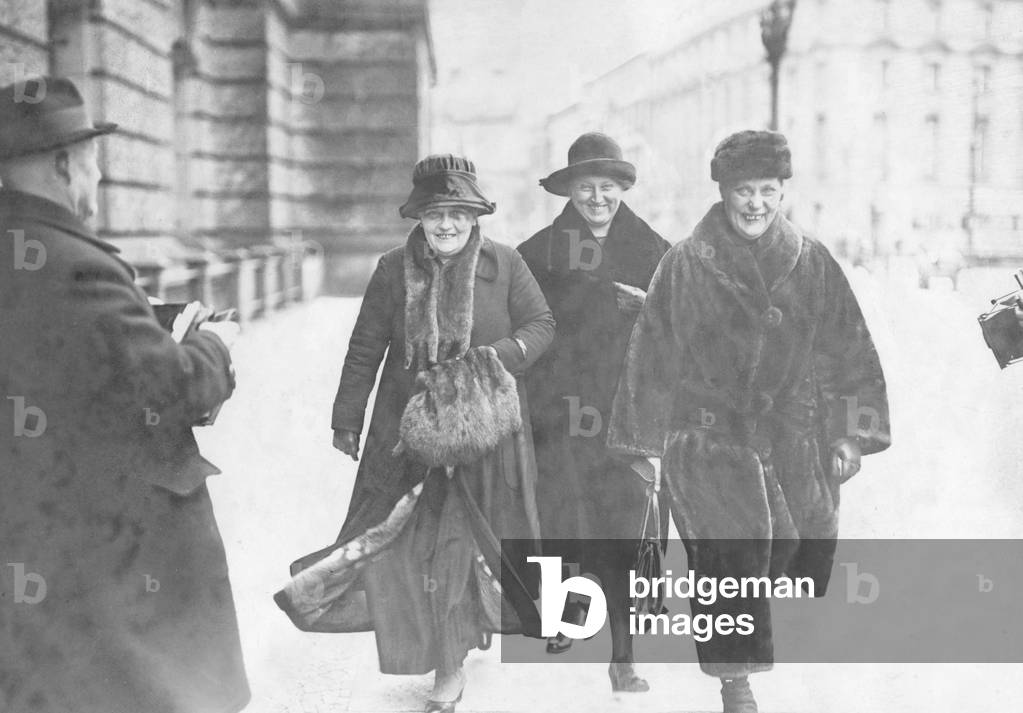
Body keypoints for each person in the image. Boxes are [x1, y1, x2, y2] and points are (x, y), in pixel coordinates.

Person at [607, 130, 891, 713]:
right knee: (727, 560)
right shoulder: (685, 263)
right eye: (744, 191)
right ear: (724, 193)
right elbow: (651, 353)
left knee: (787, 554)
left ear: (783, 192)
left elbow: (848, 348)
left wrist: (850, 434)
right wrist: (644, 442)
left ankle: (748, 643)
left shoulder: (811, 260)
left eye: (768, 191)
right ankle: (735, 684)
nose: (756, 204)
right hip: (707, 441)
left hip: (791, 436)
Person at [0, 77, 248, 712]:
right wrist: (217, 352)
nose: (101, 177)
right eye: (94, 161)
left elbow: (67, 350)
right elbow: (166, 388)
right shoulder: (72, 261)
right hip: (106, 541)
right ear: (64, 164)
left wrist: (151, 322)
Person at [285, 155, 554, 713]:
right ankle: (446, 660)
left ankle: (452, 661)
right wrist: (347, 417)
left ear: (476, 215)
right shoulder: (391, 269)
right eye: (436, 214)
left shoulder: (505, 265)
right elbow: (365, 349)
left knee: (465, 546)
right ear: (420, 218)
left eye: (459, 213)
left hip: (483, 435)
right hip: (408, 435)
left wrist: (492, 360)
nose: (448, 225)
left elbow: (542, 325)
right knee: (412, 548)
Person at [517, 132, 671, 692]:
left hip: (626, 414)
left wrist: (651, 307)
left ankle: (623, 655)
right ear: (571, 189)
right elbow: (522, 327)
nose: (597, 198)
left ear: (623, 188)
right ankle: (562, 617)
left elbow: (690, 326)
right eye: (587, 187)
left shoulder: (656, 252)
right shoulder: (536, 253)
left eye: (607, 187)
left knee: (624, 528)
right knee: (559, 515)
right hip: (556, 413)